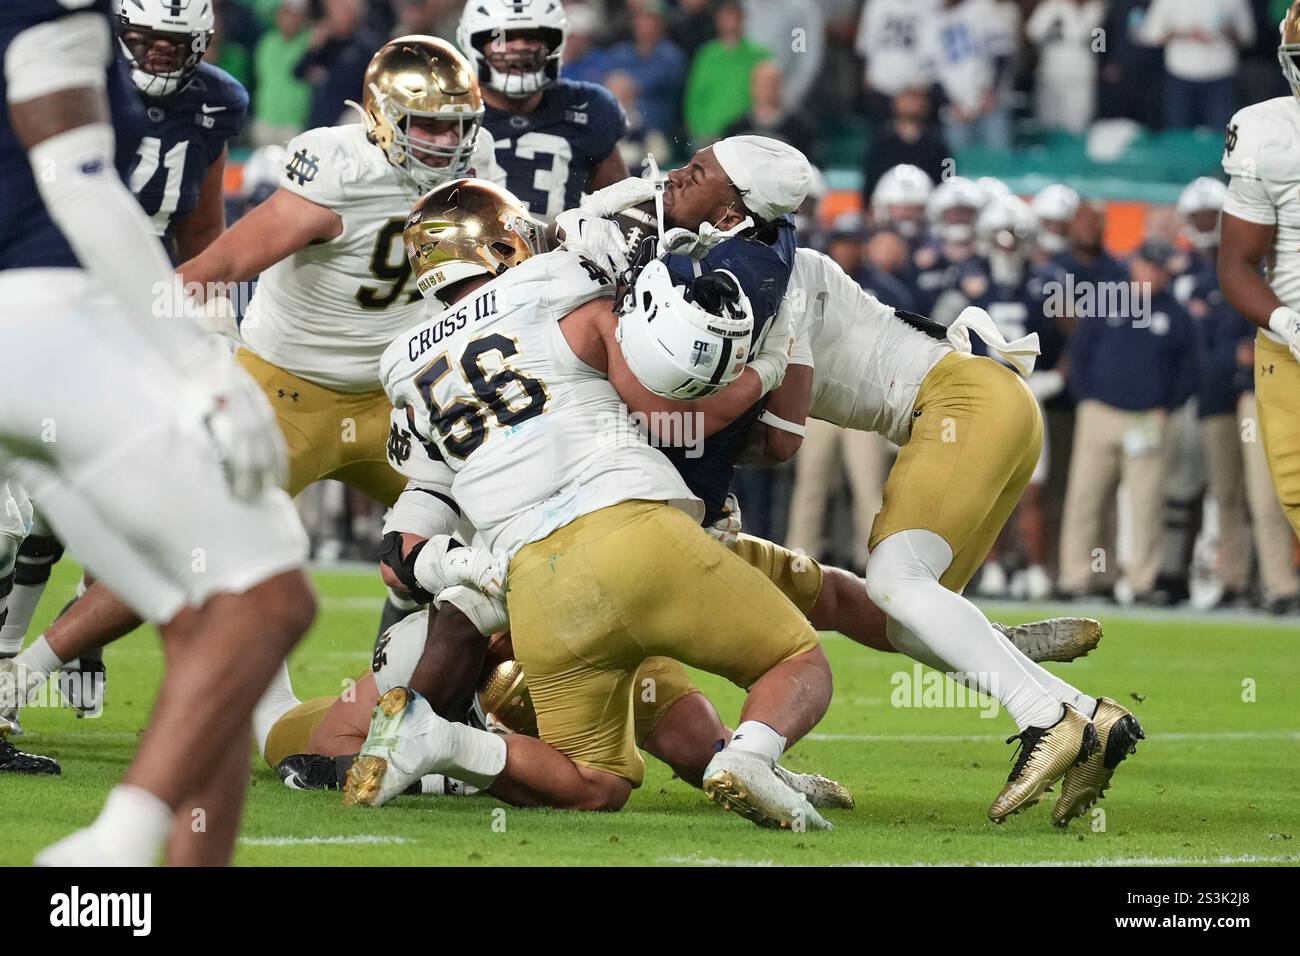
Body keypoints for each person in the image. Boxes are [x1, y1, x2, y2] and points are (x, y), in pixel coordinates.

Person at [2, 37, 506, 726]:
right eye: (429, 124)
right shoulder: (340, 166)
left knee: (506, 531)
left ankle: (447, 709)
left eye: (457, 124)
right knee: (184, 538)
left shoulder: (478, 163)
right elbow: (221, 262)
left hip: (398, 402)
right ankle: (24, 676)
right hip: (287, 390)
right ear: (384, 117)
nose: (446, 142)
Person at [346, 180, 837, 830]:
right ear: (503, 239)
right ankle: (749, 756)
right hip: (626, 523)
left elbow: (407, 533)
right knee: (796, 663)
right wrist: (768, 367)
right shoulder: (560, 289)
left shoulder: (405, 366)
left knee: (594, 782)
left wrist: (456, 565)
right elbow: (671, 418)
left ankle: (443, 742)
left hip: (534, 585)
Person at [0, 0, 313, 864]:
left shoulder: (210, 102)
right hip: (51, 319)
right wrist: (200, 360)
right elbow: (76, 175)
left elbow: (191, 223)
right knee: (266, 593)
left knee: (199, 621)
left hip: (57, 325)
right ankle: (113, 849)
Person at [1057, 238, 1198, 604]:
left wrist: (1167, 406)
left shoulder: (1177, 315)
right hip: (1099, 413)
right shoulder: (1107, 304)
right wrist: (1085, 399)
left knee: (1145, 504)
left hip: (1147, 418)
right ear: (1135, 265)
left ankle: (1142, 582)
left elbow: (1188, 370)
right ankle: (1078, 578)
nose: (1152, 273)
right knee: (1086, 500)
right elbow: (1080, 354)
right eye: (1147, 265)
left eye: (1159, 267)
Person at [1218, 0, 1300, 546]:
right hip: (1290, 346)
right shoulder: (1265, 131)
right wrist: (1287, 322)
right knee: (1295, 492)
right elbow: (1236, 263)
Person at [457, 0, 628, 221]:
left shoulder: (587, 106)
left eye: (533, 36)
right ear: (474, 42)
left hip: (562, 252)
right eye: (502, 37)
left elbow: (622, 210)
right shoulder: (451, 110)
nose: (519, 47)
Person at [116, 0, 248, 263]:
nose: (159, 57)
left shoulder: (215, 103)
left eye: (176, 45)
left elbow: (202, 230)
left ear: (197, 45)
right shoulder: (91, 87)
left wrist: (207, 293)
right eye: (147, 42)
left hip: (153, 276)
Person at [1137, 0, 1255, 131]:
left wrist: (1229, 30)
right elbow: (1149, 35)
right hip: (1181, 77)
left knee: (1222, 135)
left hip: (1221, 78)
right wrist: (1184, 34)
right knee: (1179, 135)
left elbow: (1248, 38)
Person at [682, 0, 771, 146]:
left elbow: (766, 95)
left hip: (746, 135)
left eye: (734, 16)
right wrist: (699, 129)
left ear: (743, 19)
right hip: (708, 135)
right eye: (725, 16)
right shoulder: (706, 55)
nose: (730, 22)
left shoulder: (759, 55)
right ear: (718, 20)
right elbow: (694, 98)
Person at [1025, 0, 1105, 134]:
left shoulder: (1096, 9)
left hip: (1082, 76)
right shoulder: (1050, 6)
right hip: (1051, 72)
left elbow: (1097, 44)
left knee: (1077, 124)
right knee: (1048, 122)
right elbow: (1033, 32)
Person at [855, 0, 941, 123]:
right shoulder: (877, 4)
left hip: (921, 94)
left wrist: (920, 91)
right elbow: (866, 49)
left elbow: (937, 55)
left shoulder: (932, 4)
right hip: (882, 90)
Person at [862, 87, 949, 206]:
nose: (913, 104)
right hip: (888, 209)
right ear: (896, 103)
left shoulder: (938, 146)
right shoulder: (881, 144)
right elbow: (870, 181)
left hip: (925, 210)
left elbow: (947, 182)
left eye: (917, 98)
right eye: (908, 98)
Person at [249, 0, 312, 146]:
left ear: (302, 17)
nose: (289, 19)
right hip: (265, 119)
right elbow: (260, 76)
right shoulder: (266, 42)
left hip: (294, 122)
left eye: (294, 15)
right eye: (285, 13)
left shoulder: (310, 42)